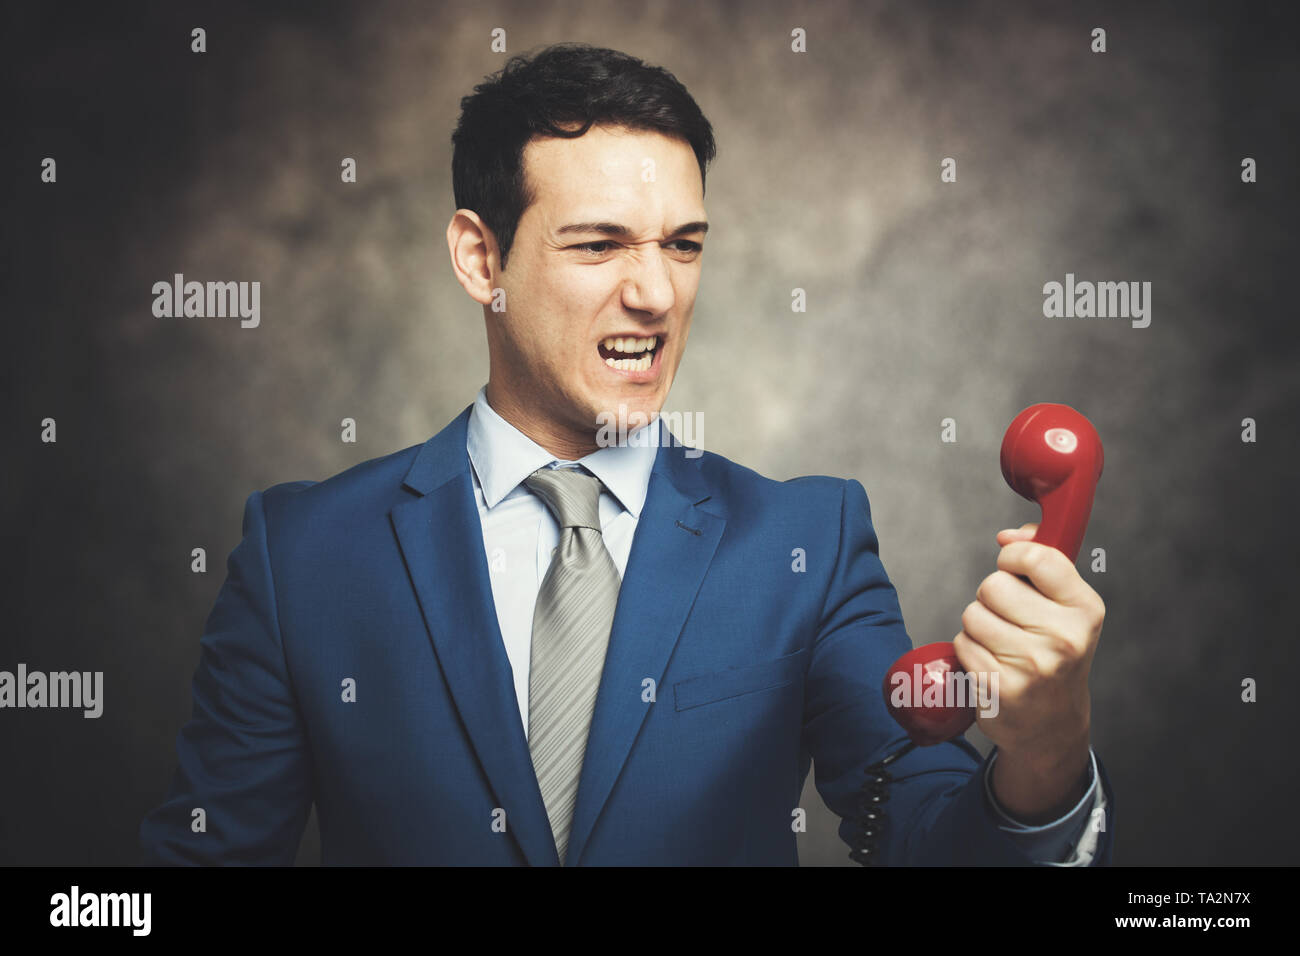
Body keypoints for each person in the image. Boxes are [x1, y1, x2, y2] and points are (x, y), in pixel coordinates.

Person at [139, 43, 1113, 866]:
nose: (655, 293)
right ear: (483, 259)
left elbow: (925, 824)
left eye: (682, 244)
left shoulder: (805, 539)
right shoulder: (303, 550)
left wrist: (1043, 752)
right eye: (600, 244)